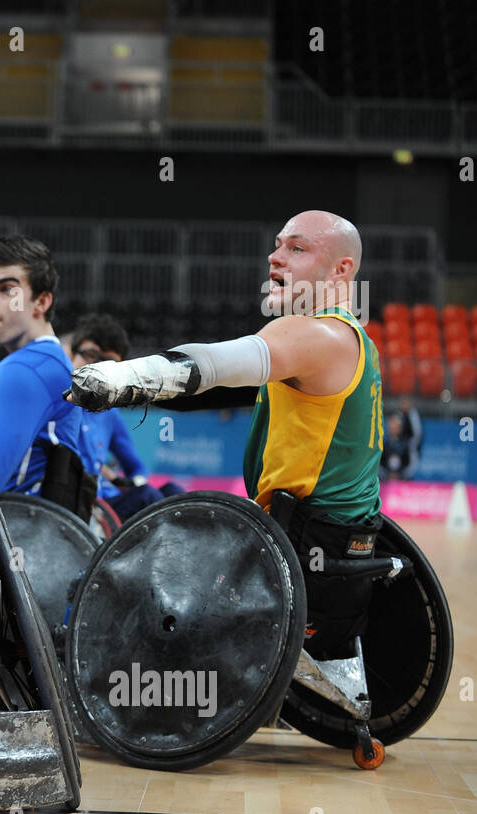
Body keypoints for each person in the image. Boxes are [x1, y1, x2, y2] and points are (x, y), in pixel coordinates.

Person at [69, 210, 382, 659]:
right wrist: (128, 392)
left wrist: (127, 375)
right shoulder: (352, 342)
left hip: (301, 560)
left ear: (341, 270)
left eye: (297, 248)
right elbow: (209, 390)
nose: (275, 258)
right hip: (341, 564)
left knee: (132, 571)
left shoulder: (316, 335)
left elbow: (215, 364)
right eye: (277, 245)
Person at [0, 236, 94, 506]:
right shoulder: (36, 366)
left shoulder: (28, 370)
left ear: (42, 302)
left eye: (6, 290)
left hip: (18, 541)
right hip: (17, 536)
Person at [68, 313, 184, 520]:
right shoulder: (56, 404)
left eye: (110, 362)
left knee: (174, 493)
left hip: (111, 502)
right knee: (148, 497)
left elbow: (136, 467)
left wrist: (132, 482)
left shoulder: (109, 413)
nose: (97, 368)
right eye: (91, 355)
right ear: (71, 355)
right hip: (86, 506)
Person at [379, 398, 422, 481]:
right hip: (385, 482)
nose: (393, 428)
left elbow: (412, 464)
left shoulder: (407, 444)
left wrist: (401, 476)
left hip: (404, 482)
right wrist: (387, 476)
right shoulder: (383, 444)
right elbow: (377, 465)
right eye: (391, 426)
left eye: (396, 426)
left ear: (400, 428)